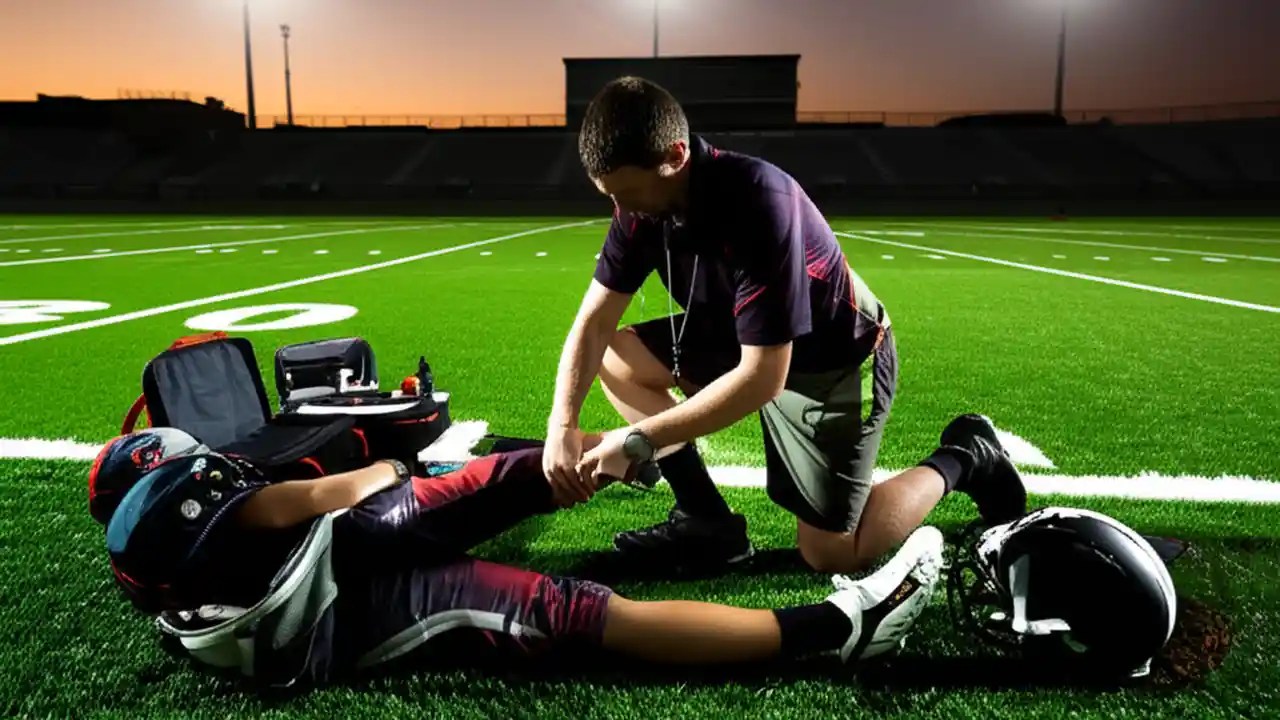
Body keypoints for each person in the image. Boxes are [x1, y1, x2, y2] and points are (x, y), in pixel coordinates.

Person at [544, 76, 1027, 575]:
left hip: (830, 359)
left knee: (833, 553)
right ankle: (706, 522)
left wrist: (640, 438)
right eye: (611, 196)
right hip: (742, 336)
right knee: (617, 357)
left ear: (675, 155)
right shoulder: (642, 206)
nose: (622, 211)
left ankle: (967, 455)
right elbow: (595, 322)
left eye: (628, 193)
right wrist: (562, 425)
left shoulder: (759, 200)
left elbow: (763, 378)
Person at [95, 432, 944, 688]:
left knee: (499, 491)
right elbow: (335, 494)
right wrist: (392, 465)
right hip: (333, 607)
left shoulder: (189, 599)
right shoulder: (220, 537)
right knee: (576, 610)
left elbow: (300, 517)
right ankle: (841, 627)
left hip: (312, 590)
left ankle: (608, 463)